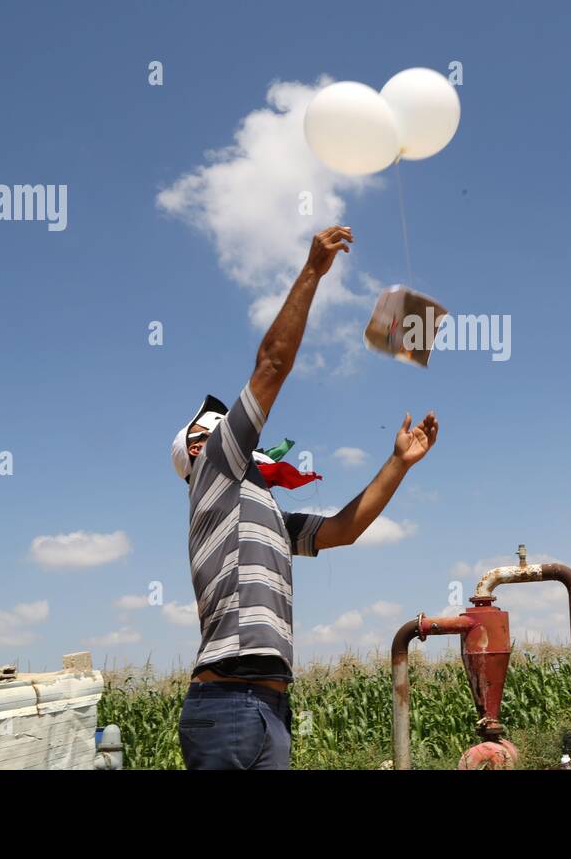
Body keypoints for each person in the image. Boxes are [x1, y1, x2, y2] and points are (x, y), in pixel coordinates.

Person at [170, 225, 439, 769]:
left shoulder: (258, 509)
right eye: (216, 427)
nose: (235, 430)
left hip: (267, 705)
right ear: (199, 449)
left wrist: (398, 463)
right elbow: (271, 364)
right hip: (226, 706)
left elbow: (343, 530)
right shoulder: (217, 471)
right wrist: (313, 270)